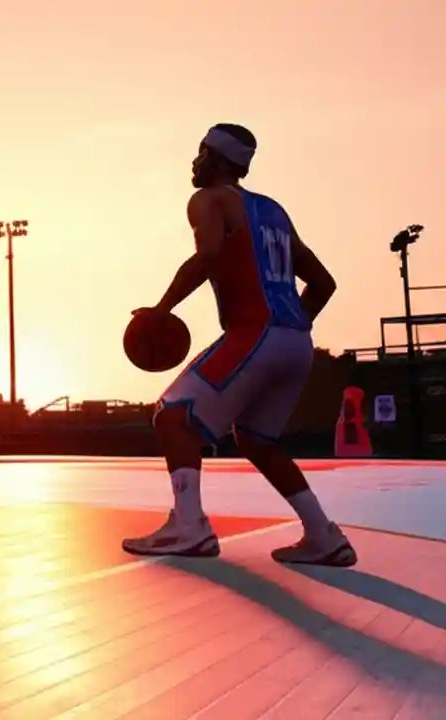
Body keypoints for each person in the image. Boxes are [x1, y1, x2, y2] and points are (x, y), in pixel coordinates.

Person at [122, 123, 356, 567]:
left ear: (219, 159)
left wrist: (161, 309)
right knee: (257, 440)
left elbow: (209, 254)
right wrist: (289, 330)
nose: (195, 160)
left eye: (202, 151)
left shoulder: (208, 200)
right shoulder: (273, 211)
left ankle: (188, 526)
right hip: (296, 340)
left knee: (173, 417)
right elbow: (323, 283)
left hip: (257, 331)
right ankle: (323, 536)